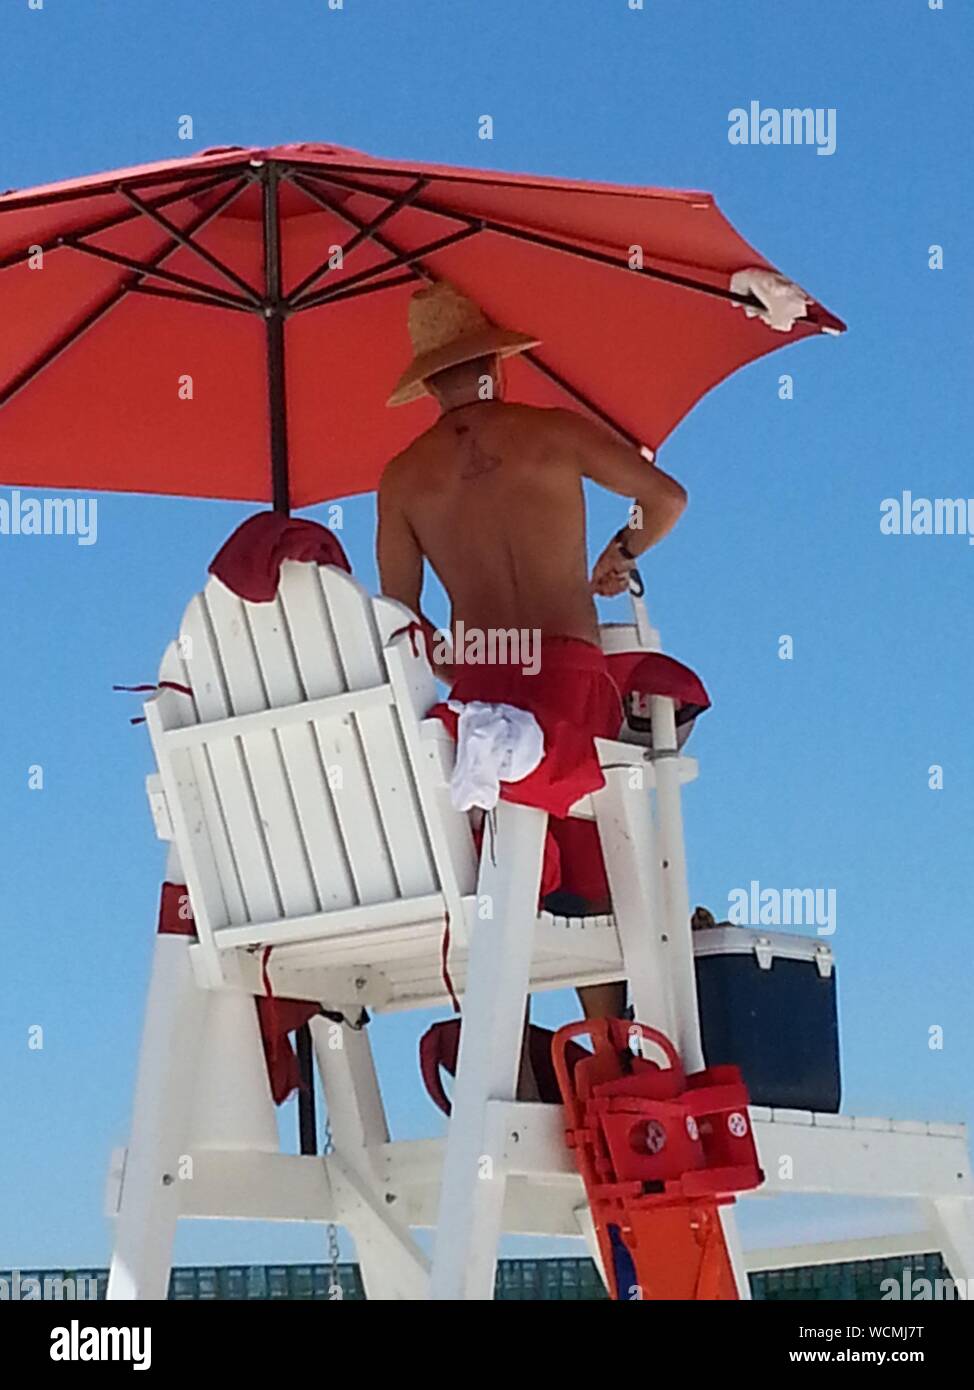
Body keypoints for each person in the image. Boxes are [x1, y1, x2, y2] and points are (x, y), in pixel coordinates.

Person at [377, 282, 687, 1024]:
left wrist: (458, 653)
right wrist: (623, 549)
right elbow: (665, 498)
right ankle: (613, 1045)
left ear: (427, 384)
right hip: (570, 674)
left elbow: (403, 622)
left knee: (503, 876)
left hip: (483, 682)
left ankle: (506, 1048)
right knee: (589, 863)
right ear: (496, 364)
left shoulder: (402, 479)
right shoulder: (552, 431)